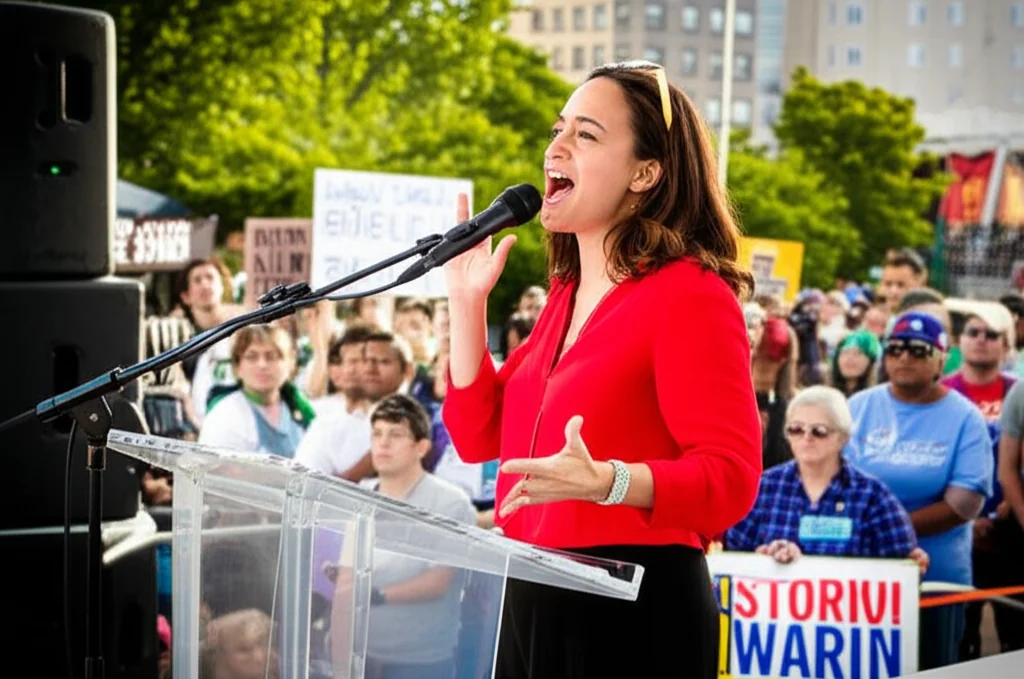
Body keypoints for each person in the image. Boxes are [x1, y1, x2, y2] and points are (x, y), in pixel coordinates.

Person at [442, 60, 761, 678]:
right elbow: (479, 436)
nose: (554, 147)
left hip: (630, 607)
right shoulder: (564, 294)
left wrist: (610, 481)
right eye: (559, 129)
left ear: (646, 172)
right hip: (531, 587)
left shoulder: (690, 294)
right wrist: (466, 305)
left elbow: (731, 480)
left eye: (585, 135)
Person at [845, 311, 992, 671]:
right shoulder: (859, 407)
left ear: (941, 359)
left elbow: (964, 503)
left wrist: (886, 532)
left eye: (918, 350)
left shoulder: (966, 417)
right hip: (861, 575)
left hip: (936, 579)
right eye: (894, 349)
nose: (905, 357)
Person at [727, 386, 928, 572]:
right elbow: (731, 556)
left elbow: (903, 567)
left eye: (819, 431)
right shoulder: (765, 488)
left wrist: (913, 564)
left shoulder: (873, 496)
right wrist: (761, 559)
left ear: (843, 437)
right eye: (796, 429)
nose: (806, 438)